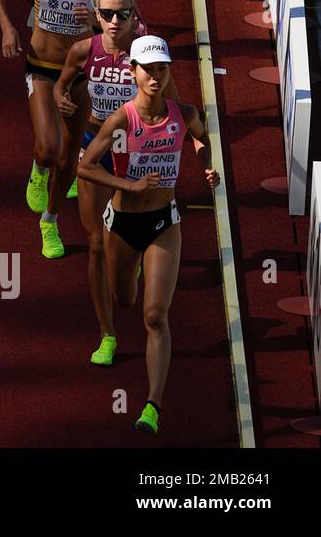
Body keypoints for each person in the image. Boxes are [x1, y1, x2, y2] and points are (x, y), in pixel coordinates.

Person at [77, 35, 217, 433]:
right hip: (122, 224)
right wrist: (129, 187)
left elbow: (201, 137)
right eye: (149, 70)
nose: (156, 77)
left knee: (155, 316)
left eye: (162, 69)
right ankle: (119, 305)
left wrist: (205, 165)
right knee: (126, 300)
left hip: (163, 223)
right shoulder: (121, 119)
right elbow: (86, 167)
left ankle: (152, 405)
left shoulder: (182, 112)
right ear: (133, 72)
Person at [53, 0, 183, 366]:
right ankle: (107, 334)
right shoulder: (84, 50)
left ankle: (137, 255)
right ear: (97, 14)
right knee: (95, 246)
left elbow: (174, 106)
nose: (114, 21)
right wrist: (61, 97)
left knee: (131, 240)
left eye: (122, 14)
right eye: (107, 14)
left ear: (134, 13)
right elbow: (64, 83)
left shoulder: (147, 55)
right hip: (99, 146)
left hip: (140, 154)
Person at [0, 0, 117, 259]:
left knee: (68, 162)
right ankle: (37, 170)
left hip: (79, 75)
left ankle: (50, 221)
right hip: (42, 70)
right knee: (48, 150)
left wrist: (98, 22)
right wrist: (8, 29)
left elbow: (125, 18)